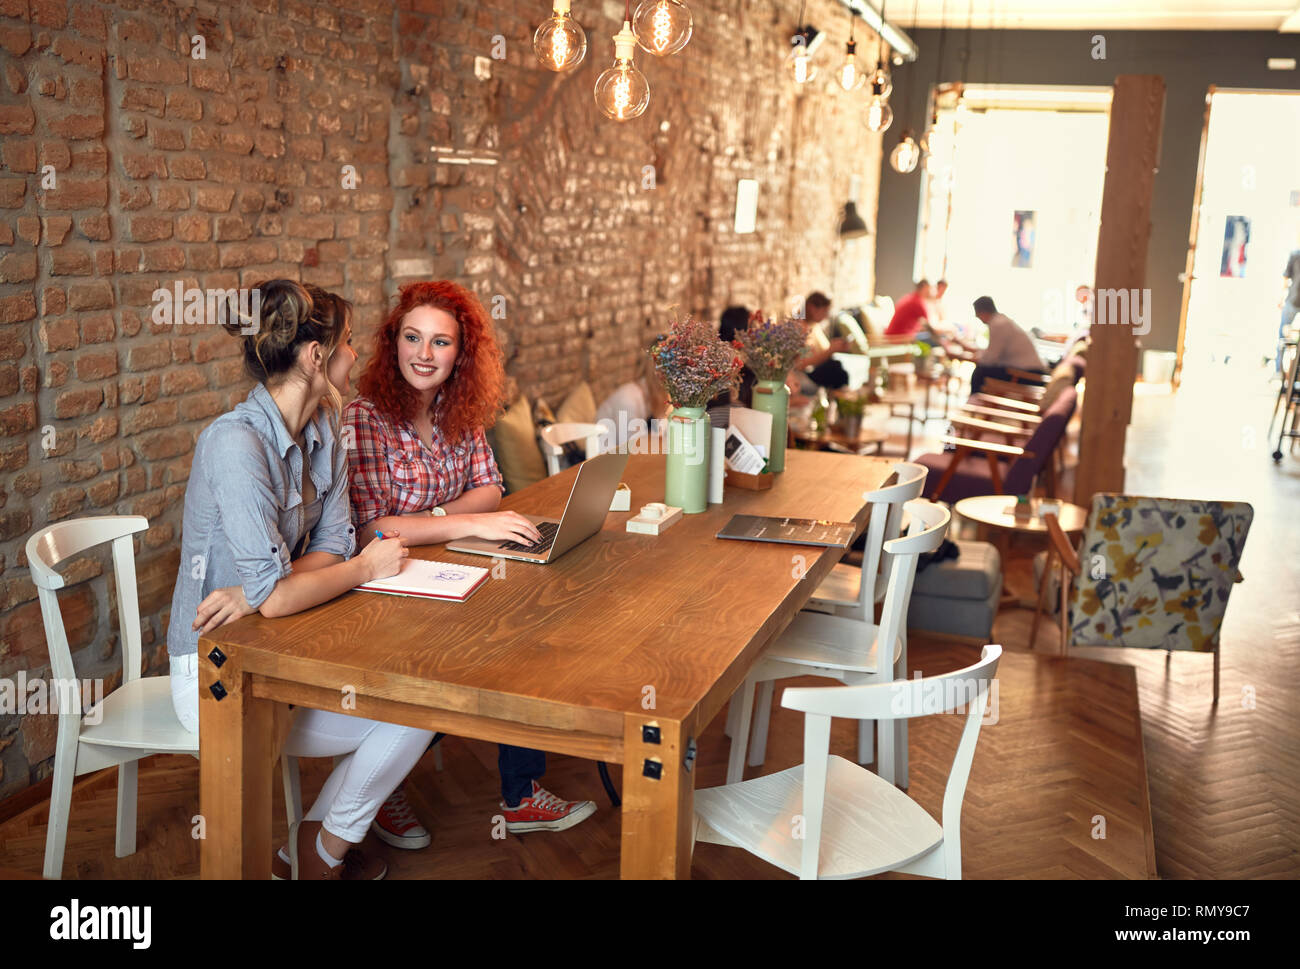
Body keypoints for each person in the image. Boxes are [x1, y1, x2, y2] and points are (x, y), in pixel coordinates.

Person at [168, 280, 429, 881]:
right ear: (316, 357)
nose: (355, 357)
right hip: (217, 675)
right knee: (411, 704)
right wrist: (359, 570)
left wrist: (260, 591)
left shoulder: (326, 427)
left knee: (423, 696)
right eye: (347, 346)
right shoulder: (235, 443)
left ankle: (315, 850)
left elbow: (333, 543)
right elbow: (319, 575)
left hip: (288, 649)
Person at [345, 280, 597, 844]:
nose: (424, 355)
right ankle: (375, 790)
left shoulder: (460, 411)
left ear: (462, 353)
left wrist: (442, 518)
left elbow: (491, 489)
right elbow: (371, 529)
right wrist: (466, 522)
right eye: (412, 338)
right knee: (463, 656)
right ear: (393, 343)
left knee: (524, 626)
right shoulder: (364, 418)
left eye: (440, 342)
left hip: (450, 564)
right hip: (386, 580)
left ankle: (522, 795)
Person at [958, 296, 1047, 394]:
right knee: (982, 370)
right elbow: (992, 354)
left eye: (977, 314)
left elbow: (990, 359)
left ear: (982, 312)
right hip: (1028, 370)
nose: (977, 317)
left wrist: (968, 357)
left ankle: (974, 405)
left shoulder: (998, 324)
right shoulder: (1001, 321)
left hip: (1029, 373)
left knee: (980, 372)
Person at [1278, 249, 1300, 375]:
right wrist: (1281, 298)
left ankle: (1292, 374)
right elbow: (1286, 278)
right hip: (1292, 301)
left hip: (1292, 300)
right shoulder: (1295, 254)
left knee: (1284, 338)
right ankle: (1279, 372)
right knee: (1283, 338)